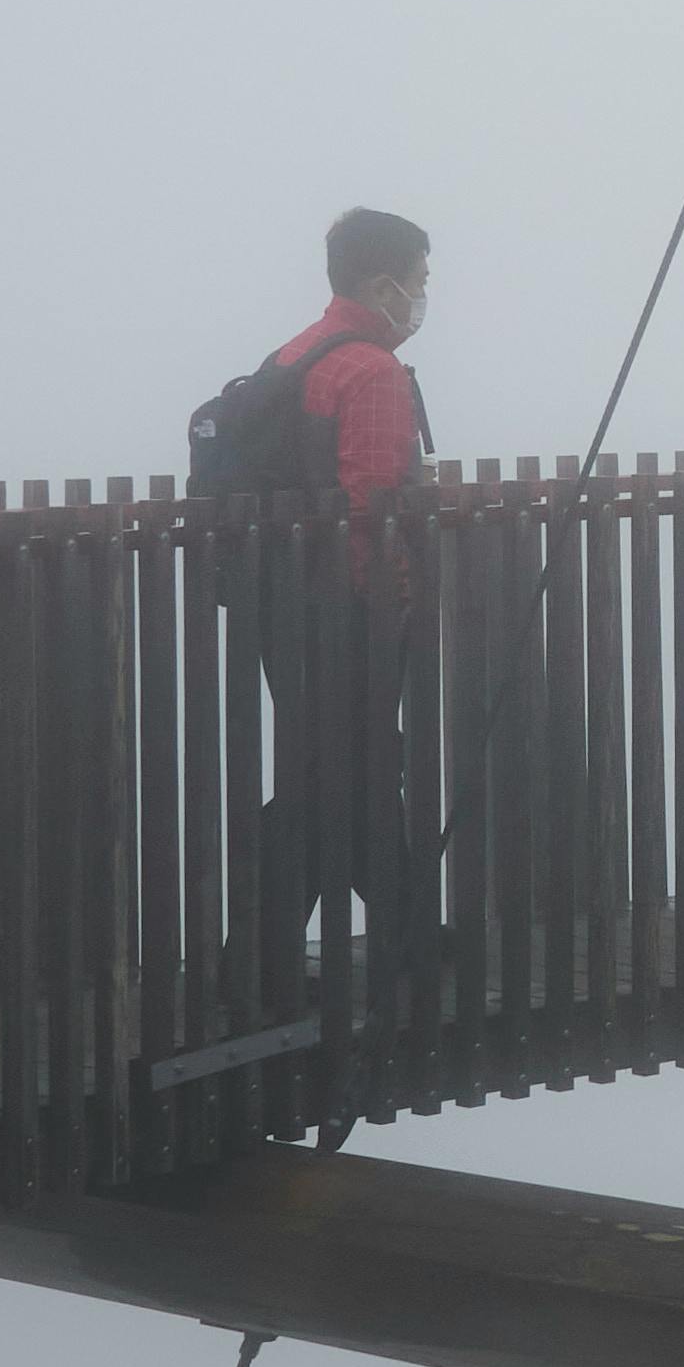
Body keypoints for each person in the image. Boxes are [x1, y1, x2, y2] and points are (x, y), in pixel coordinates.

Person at [247, 208, 437, 982]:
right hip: (346, 613)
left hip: (280, 601)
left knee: (327, 771)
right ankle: (263, 957)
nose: (423, 299)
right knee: (343, 774)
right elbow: (369, 508)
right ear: (382, 282)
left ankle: (402, 931)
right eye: (419, 283)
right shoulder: (373, 372)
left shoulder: (295, 354)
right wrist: (395, 605)